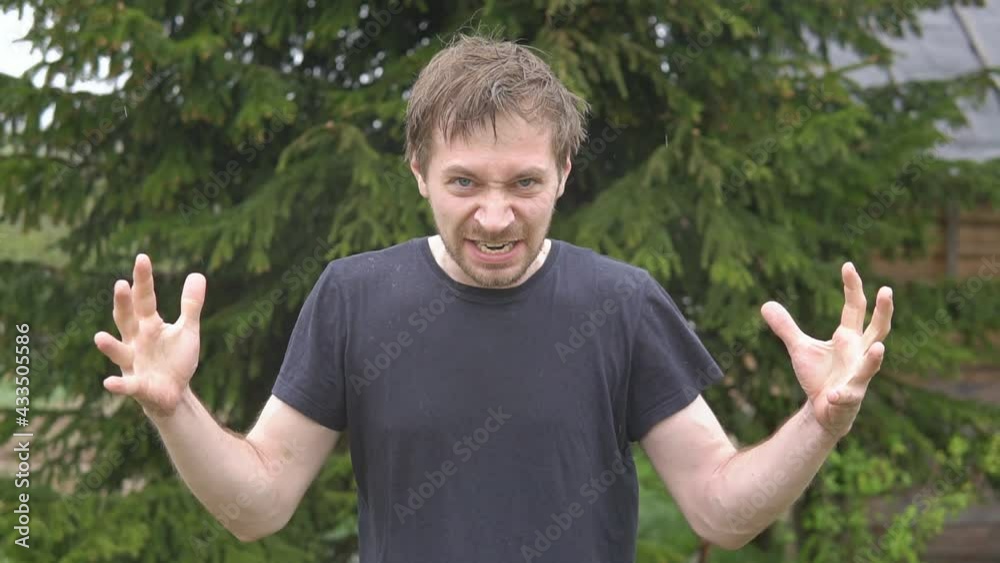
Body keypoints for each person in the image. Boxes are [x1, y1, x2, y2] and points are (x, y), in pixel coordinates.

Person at [93, 35, 894, 562]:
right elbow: (257, 502)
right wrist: (174, 407)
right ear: (417, 172)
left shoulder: (620, 303)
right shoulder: (352, 297)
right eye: (464, 181)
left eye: (525, 182)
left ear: (565, 175)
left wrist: (820, 424)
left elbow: (721, 510)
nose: (496, 213)